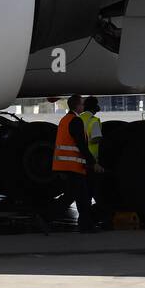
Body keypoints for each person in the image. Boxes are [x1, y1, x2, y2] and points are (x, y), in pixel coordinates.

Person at [52, 94, 103, 230]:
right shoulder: (75, 121)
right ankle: (46, 216)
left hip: (67, 165)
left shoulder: (65, 119)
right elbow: (81, 145)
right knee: (73, 197)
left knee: (80, 197)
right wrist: (93, 163)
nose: (83, 106)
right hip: (72, 166)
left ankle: (86, 225)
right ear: (77, 106)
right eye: (81, 103)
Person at [80, 96, 110, 223]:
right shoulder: (94, 120)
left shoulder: (79, 118)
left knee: (82, 193)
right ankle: (90, 220)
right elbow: (96, 138)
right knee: (93, 192)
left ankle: (84, 219)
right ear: (95, 108)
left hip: (79, 161)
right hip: (91, 162)